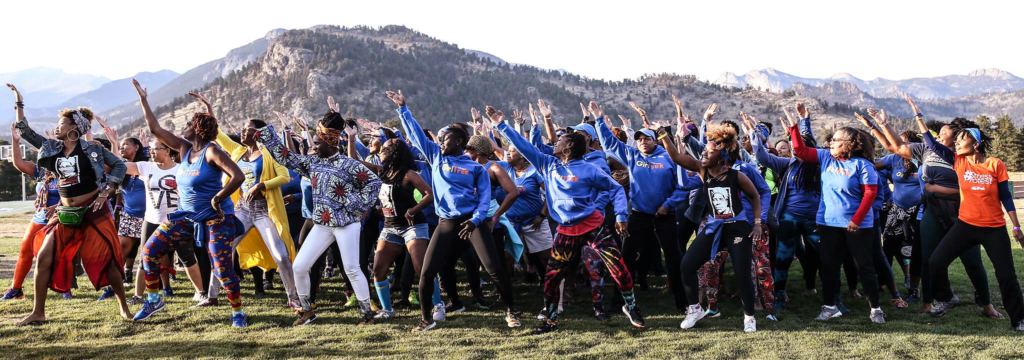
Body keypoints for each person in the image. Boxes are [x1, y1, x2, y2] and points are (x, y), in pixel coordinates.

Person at [493, 102, 645, 334]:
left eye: (561, 140)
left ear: (568, 148)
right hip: (565, 231)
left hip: (594, 227)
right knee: (552, 278)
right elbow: (523, 146)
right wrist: (501, 125)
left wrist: (622, 215)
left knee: (619, 269)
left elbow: (615, 189)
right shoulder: (548, 164)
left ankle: (631, 306)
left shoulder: (590, 169)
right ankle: (550, 322)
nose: (556, 141)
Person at [389, 90, 521, 333]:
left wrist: (476, 220)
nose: (441, 142)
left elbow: (484, 199)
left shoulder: (476, 168)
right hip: (447, 222)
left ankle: (511, 311)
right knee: (427, 272)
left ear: (459, 142)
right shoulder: (437, 157)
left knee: (494, 268)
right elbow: (416, 135)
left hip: (473, 222)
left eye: (445, 139)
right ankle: (426, 319)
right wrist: (403, 108)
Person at [863, 97, 998, 317]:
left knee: (972, 261)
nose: (939, 135)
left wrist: (937, 190)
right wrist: (882, 124)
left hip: (962, 214)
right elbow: (896, 146)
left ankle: (986, 305)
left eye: (944, 132)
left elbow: (974, 187)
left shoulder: (965, 158)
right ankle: (928, 303)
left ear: (958, 137)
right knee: (927, 258)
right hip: (933, 212)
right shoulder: (927, 150)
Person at [128, 79, 248, 327]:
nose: (185, 127)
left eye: (190, 124)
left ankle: (237, 312)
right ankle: (154, 300)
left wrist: (219, 197)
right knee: (149, 252)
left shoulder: (212, 152)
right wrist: (143, 99)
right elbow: (155, 129)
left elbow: (238, 176)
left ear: (198, 130)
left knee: (223, 270)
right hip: (187, 217)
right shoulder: (184, 149)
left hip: (217, 219)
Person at [8, 83, 131, 326]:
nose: (57, 127)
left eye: (62, 124)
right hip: (66, 212)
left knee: (106, 263)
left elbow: (120, 166)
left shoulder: (93, 149)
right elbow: (23, 130)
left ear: (74, 128)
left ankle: (124, 307)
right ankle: (38, 312)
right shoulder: (50, 147)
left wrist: (107, 190)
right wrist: (20, 103)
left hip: (94, 211)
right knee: (43, 257)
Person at [254, 109, 381, 326]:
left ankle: (367, 314)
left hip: (345, 224)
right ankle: (307, 311)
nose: (313, 148)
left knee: (352, 268)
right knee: (299, 266)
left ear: (330, 143)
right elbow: (287, 157)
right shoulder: (313, 164)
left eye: (317, 144)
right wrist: (266, 134)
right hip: (322, 224)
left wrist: (353, 204)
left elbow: (374, 183)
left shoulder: (349, 164)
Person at [659, 114, 763, 332]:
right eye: (705, 150)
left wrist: (757, 223)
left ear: (722, 155)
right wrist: (662, 134)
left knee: (743, 272)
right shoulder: (703, 171)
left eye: (710, 150)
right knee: (686, 265)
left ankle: (749, 317)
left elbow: (755, 196)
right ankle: (695, 308)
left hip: (737, 227)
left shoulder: (736, 176)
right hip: (714, 226)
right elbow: (677, 157)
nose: (704, 152)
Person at [784, 111, 886, 324]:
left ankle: (875, 308)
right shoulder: (825, 157)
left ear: (849, 144)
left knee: (863, 266)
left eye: (836, 140)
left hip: (858, 225)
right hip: (828, 223)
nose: (830, 142)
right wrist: (794, 128)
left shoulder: (863, 165)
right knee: (829, 266)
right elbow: (801, 151)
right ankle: (830, 307)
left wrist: (856, 220)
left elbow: (870, 194)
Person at [920, 123, 1024, 330]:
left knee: (1006, 274)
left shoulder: (995, 164)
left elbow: (1005, 196)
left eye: (961, 139)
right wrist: (918, 115)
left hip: (993, 228)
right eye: (956, 140)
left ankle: (1019, 319)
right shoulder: (959, 161)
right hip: (965, 226)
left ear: (975, 144)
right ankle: (945, 297)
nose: (956, 143)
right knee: (936, 262)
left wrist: (1016, 226)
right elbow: (932, 144)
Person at [595, 102, 689, 313]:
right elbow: (609, 143)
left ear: (655, 141)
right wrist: (599, 120)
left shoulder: (669, 158)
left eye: (647, 138)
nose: (643, 142)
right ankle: (619, 302)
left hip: (664, 216)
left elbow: (684, 187)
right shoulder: (632, 155)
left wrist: (667, 205)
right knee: (626, 259)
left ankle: (683, 304)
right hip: (638, 216)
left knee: (674, 260)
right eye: (639, 139)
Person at [206, 101, 299, 307]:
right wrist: (209, 109)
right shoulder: (238, 151)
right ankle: (212, 296)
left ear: (257, 133)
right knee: (223, 249)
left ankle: (293, 297)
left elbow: (284, 177)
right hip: (242, 210)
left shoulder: (269, 154)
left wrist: (260, 186)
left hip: (264, 211)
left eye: (246, 129)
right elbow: (218, 134)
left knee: (281, 255)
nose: (242, 131)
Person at [346, 129, 444, 321]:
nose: (381, 151)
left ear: (395, 152)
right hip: (390, 227)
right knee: (379, 269)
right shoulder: (382, 171)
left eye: (385, 149)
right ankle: (387, 310)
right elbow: (353, 161)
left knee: (421, 268)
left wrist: (413, 211)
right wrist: (350, 138)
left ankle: (438, 305)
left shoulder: (409, 174)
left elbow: (430, 194)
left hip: (413, 226)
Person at [749, 103, 821, 312]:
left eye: (798, 146)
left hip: (815, 220)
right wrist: (758, 134)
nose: (795, 149)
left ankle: (832, 297)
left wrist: (804, 122)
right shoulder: (787, 164)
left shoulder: (820, 163)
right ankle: (778, 295)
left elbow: (809, 141)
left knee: (824, 257)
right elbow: (762, 157)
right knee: (783, 258)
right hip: (789, 219)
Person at [122, 138, 207, 305]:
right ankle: (138, 296)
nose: (151, 152)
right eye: (150, 150)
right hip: (152, 219)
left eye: (155, 149)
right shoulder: (146, 167)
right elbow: (120, 166)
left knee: (187, 257)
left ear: (167, 151)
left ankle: (201, 292)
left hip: (177, 221)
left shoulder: (181, 169)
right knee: (145, 258)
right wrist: (111, 145)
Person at [2, 123, 60, 301]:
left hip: (61, 216)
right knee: (25, 251)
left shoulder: (68, 171)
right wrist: (15, 140)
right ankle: (16, 289)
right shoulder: (41, 171)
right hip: (40, 216)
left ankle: (65, 289)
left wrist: (58, 208)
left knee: (59, 255)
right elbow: (18, 163)